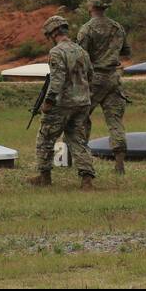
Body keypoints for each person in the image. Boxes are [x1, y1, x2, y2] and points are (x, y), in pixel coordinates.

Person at [28, 15, 96, 190]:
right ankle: (86, 179)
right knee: (78, 140)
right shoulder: (82, 51)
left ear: (53, 33)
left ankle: (44, 177)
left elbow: (57, 79)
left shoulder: (56, 52)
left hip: (62, 104)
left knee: (45, 138)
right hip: (82, 102)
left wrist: (49, 101)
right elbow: (90, 76)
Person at [76, 0, 132, 174]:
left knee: (81, 118)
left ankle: (82, 160)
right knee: (115, 121)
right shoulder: (117, 28)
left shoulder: (87, 29)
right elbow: (126, 52)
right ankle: (119, 164)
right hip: (114, 78)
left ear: (91, 4)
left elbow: (80, 58)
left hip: (94, 78)